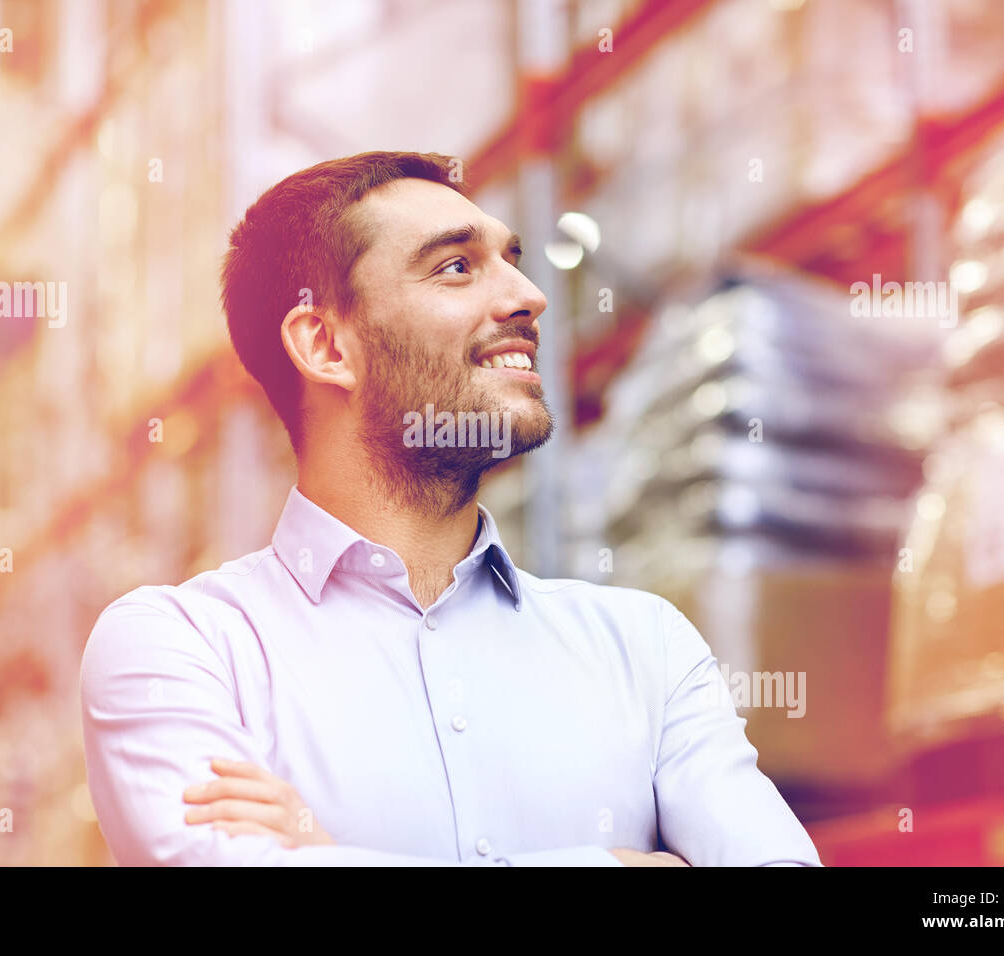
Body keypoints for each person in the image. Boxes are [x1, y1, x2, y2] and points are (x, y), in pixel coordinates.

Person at [79, 151, 822, 866]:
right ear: (325, 344)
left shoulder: (646, 648)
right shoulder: (181, 650)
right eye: (457, 267)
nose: (526, 297)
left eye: (512, 258)